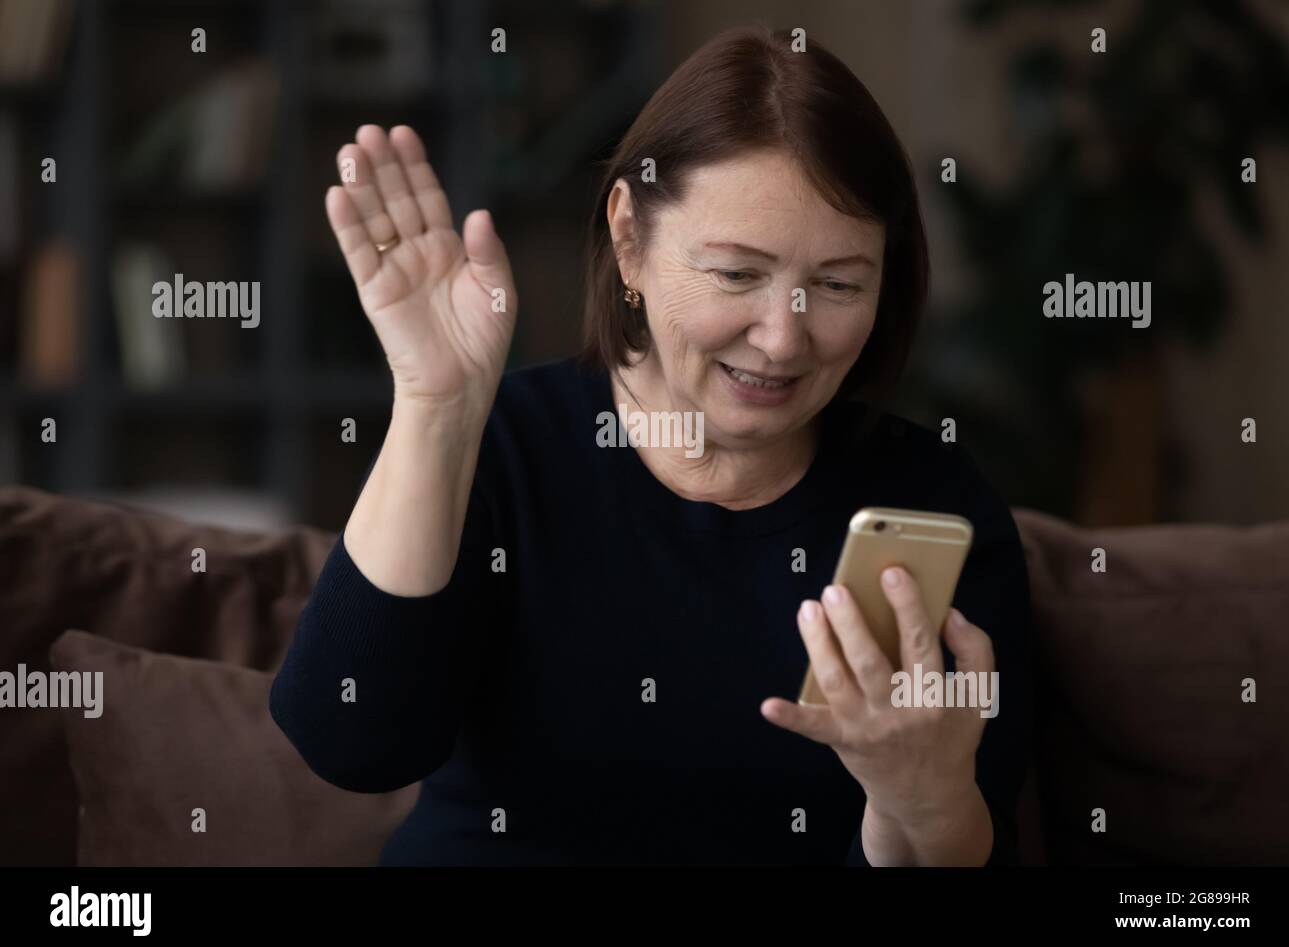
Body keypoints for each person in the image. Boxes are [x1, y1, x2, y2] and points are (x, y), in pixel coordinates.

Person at [269, 24, 1034, 866]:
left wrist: (921, 803)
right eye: (737, 274)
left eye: (839, 284)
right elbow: (348, 743)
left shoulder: (932, 507)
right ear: (630, 237)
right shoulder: (507, 444)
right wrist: (436, 408)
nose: (783, 337)